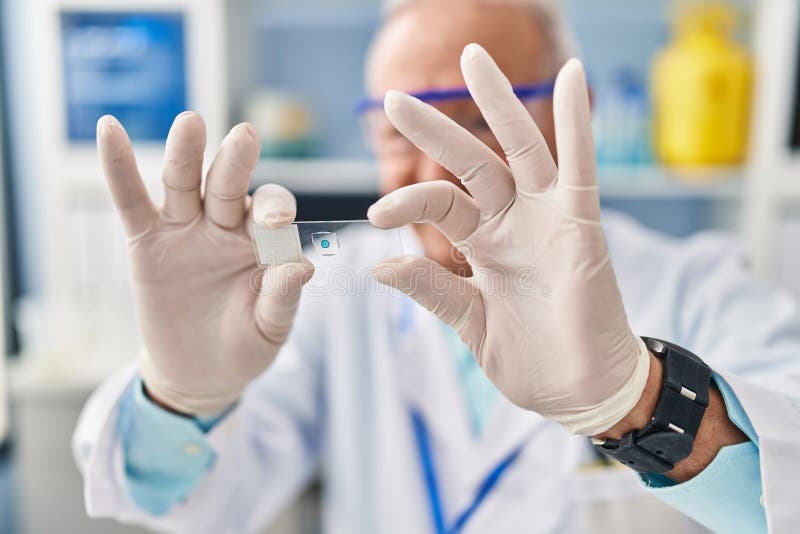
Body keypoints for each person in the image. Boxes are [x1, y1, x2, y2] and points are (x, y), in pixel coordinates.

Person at [73, 1, 800, 533]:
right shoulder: (324, 291)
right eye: (395, 131)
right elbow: (193, 502)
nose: (431, 169)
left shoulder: (693, 284)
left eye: (478, 120)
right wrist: (183, 401)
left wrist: (636, 402)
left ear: (576, 113)